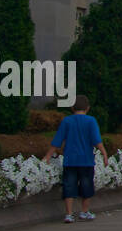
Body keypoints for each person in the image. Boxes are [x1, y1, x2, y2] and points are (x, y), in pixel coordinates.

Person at [42, 94, 110, 223]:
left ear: (72, 108)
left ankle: (69, 214)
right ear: (88, 108)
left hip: (70, 160)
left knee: (69, 185)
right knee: (86, 186)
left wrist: (48, 156)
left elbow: (58, 140)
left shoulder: (67, 121)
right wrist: (104, 154)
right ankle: (84, 212)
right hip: (86, 161)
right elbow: (97, 140)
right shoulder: (91, 121)